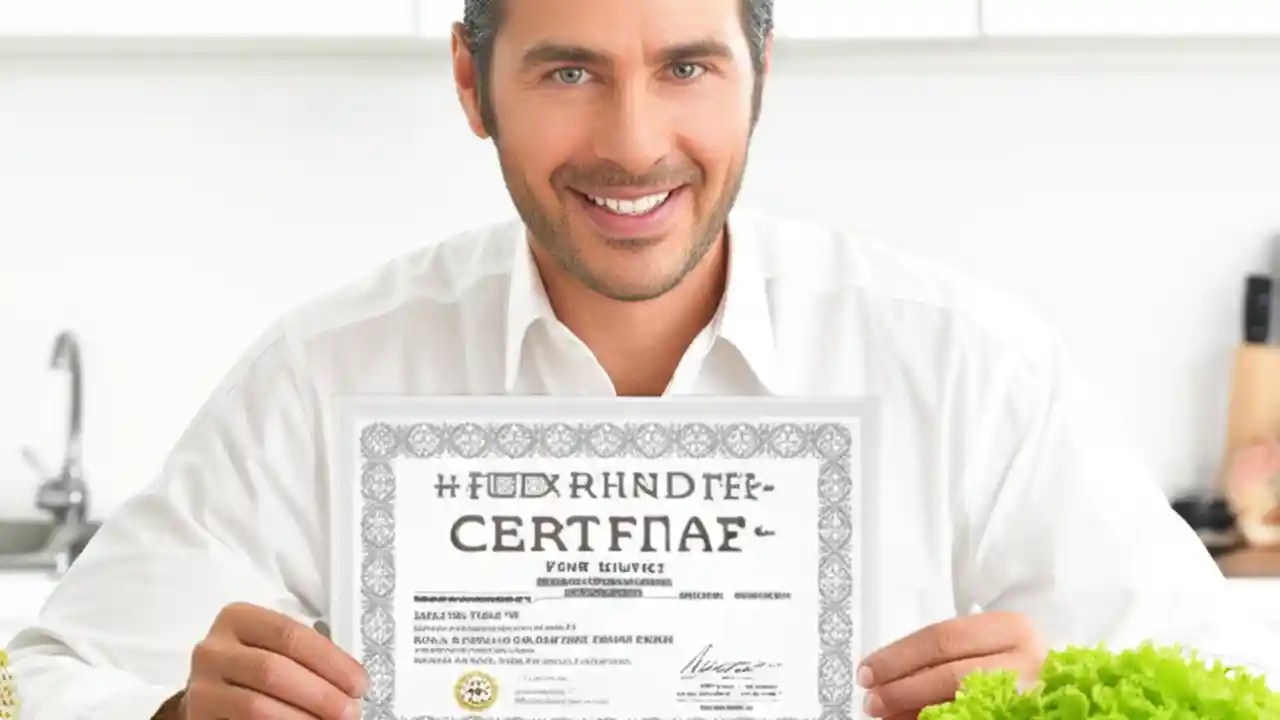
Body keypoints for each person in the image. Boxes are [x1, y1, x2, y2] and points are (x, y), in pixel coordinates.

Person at [7, 0, 1268, 718]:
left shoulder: (965, 364)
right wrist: (174, 717)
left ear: (758, 77)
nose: (632, 141)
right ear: (470, 84)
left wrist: (1061, 699)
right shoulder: (325, 373)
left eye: (685, 67)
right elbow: (62, 682)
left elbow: (1222, 691)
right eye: (568, 70)